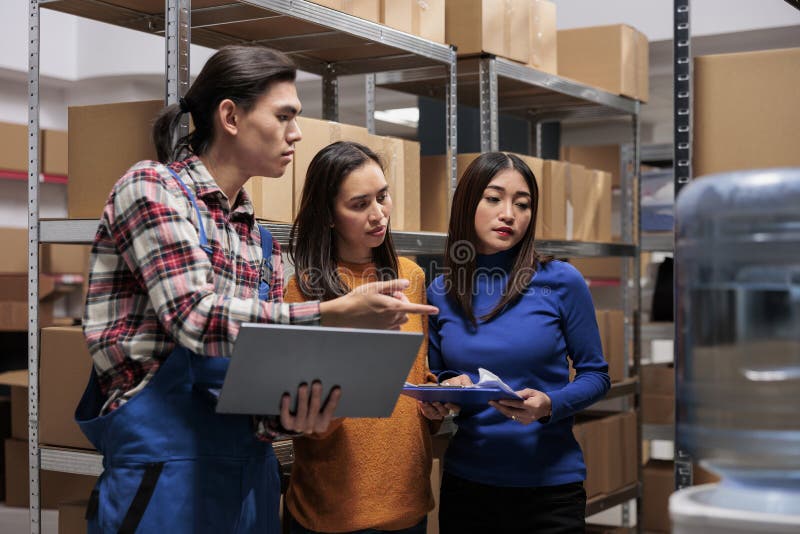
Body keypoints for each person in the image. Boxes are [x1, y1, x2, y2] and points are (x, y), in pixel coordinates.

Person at [75, 46, 437, 534]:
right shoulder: (152, 189)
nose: (297, 133)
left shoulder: (257, 238)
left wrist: (295, 416)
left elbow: (255, 376)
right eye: (284, 115)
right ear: (230, 115)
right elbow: (194, 319)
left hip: (249, 476)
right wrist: (333, 313)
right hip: (164, 474)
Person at [419, 152, 611, 534]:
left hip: (550, 489)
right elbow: (438, 375)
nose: (509, 213)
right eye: (494, 198)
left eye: (522, 204)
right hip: (468, 487)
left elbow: (596, 375)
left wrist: (550, 404)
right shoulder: (441, 291)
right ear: (467, 203)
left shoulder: (561, 281)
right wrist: (443, 391)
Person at [283, 141, 436, 534]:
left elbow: (415, 376)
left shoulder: (411, 276)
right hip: (332, 509)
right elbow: (306, 415)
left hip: (407, 501)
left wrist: (438, 397)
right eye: (359, 204)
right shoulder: (303, 292)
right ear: (329, 215)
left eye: (382, 197)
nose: (378, 214)